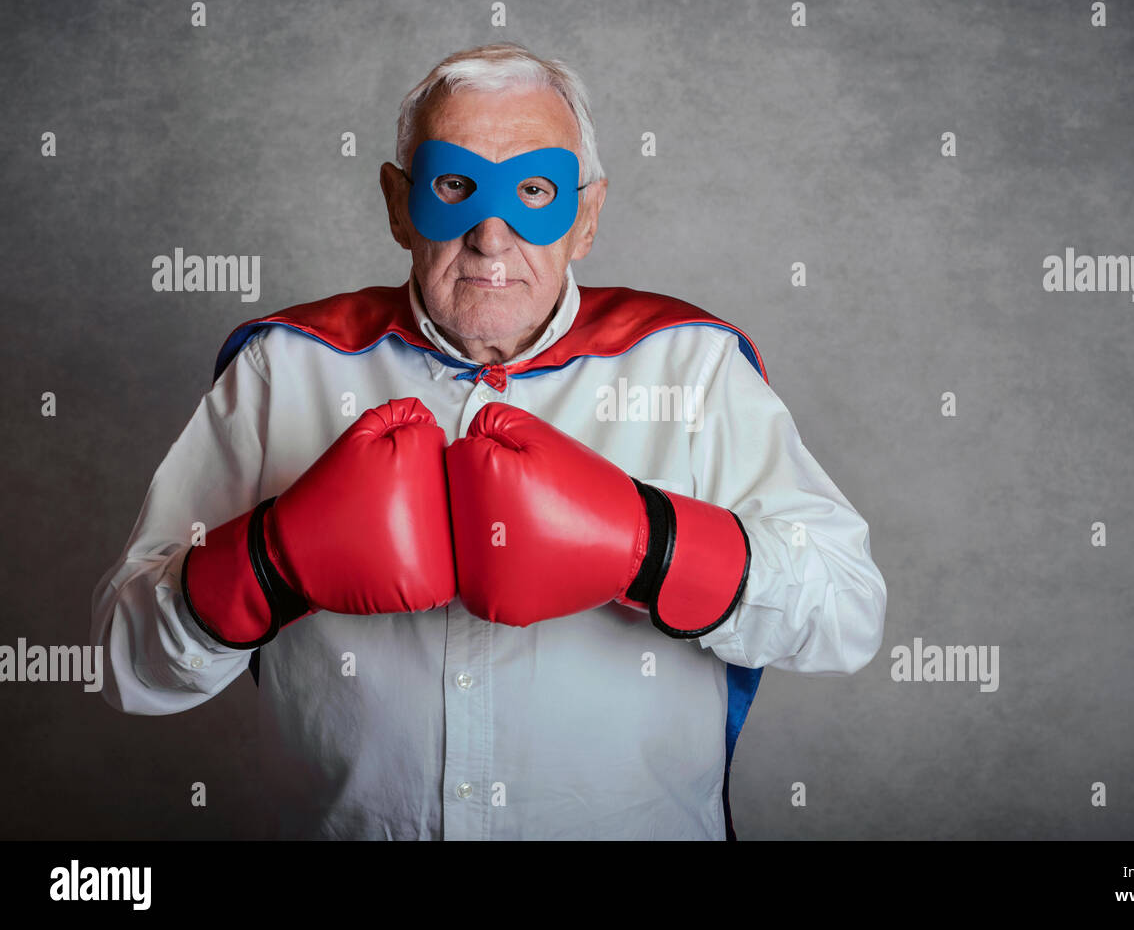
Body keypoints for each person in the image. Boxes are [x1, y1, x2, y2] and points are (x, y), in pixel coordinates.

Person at [90, 42, 888, 840]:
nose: (492, 237)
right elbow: (128, 665)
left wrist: (654, 547)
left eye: (535, 190)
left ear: (588, 215)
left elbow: (848, 612)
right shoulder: (284, 368)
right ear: (398, 205)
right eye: (454, 187)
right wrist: (268, 561)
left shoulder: (693, 364)